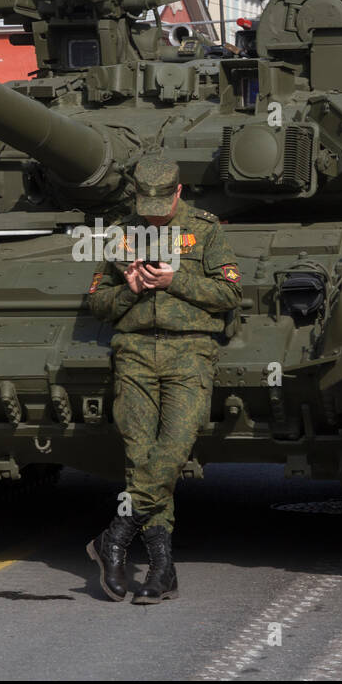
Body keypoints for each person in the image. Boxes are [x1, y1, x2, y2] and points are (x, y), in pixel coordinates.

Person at [85, 156, 241, 604]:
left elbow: (230, 292)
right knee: (141, 457)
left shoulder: (207, 230)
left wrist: (176, 281)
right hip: (134, 353)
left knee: (171, 453)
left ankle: (114, 538)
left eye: (161, 202)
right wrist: (127, 290)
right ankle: (161, 568)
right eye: (144, 202)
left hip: (190, 352)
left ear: (178, 192)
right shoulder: (119, 233)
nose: (152, 211)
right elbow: (96, 302)